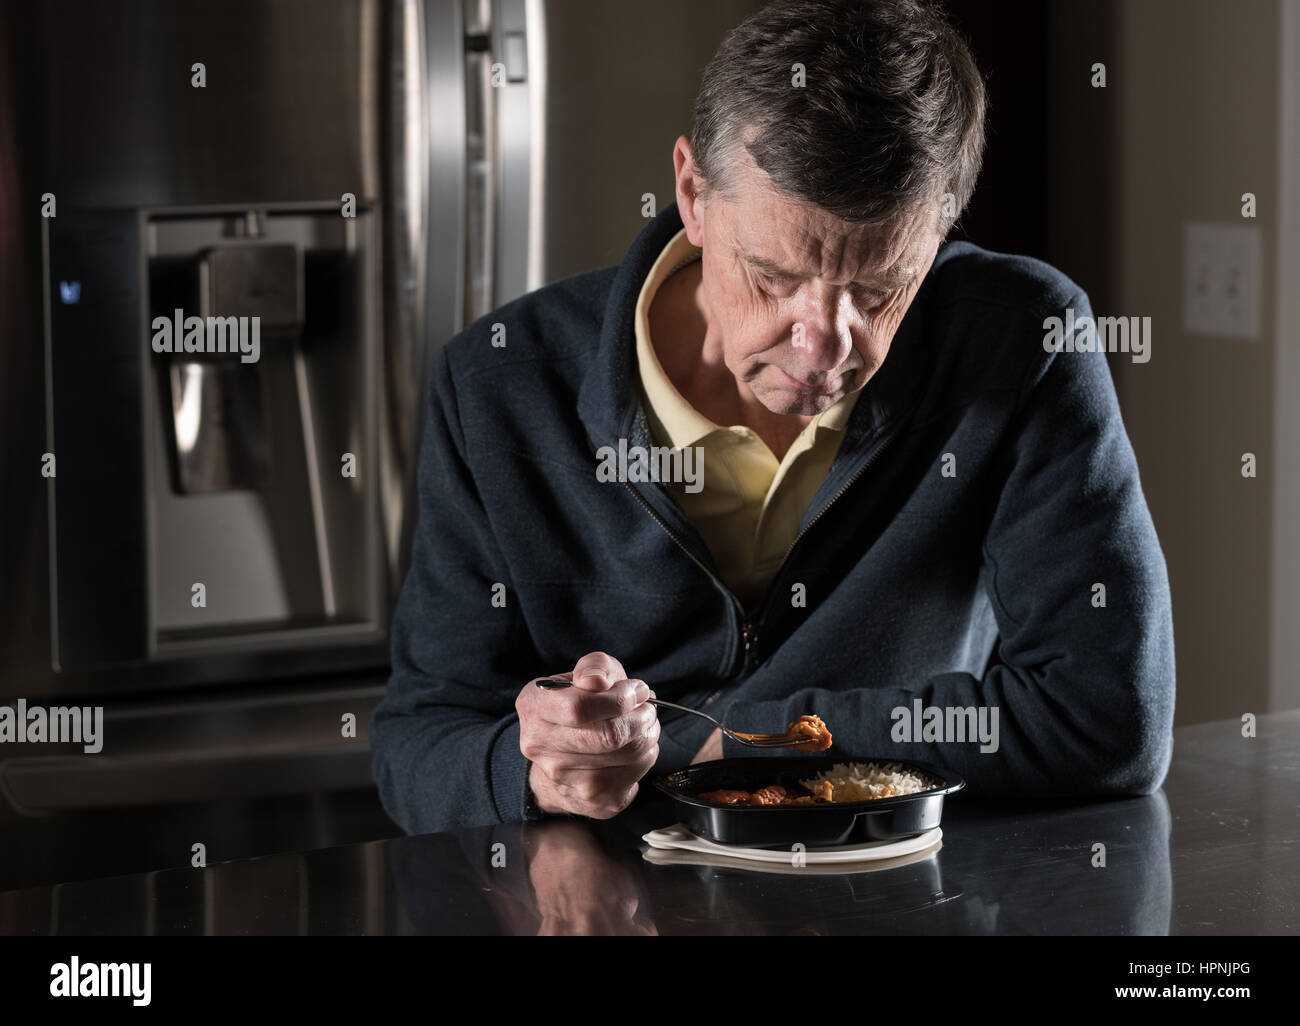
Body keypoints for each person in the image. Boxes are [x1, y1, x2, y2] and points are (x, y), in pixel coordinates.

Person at [370, 0, 1175, 833]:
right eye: (773, 276)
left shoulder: (1023, 341)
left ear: (938, 234)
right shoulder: (498, 382)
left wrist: (741, 740)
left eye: (877, 290)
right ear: (692, 191)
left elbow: (1109, 722)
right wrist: (534, 771)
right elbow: (418, 748)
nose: (824, 344)